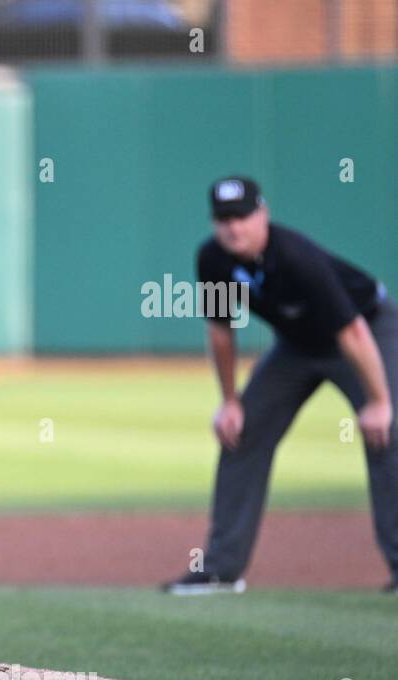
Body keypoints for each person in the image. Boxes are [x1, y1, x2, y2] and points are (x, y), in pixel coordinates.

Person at [163, 176, 397, 594]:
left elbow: (353, 333)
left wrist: (379, 402)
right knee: (241, 431)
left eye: (242, 216)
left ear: (263, 214)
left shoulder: (295, 257)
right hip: (297, 345)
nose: (233, 227)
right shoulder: (214, 259)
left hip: (368, 333)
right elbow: (220, 331)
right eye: (223, 219)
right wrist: (230, 401)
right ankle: (220, 570)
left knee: (388, 432)